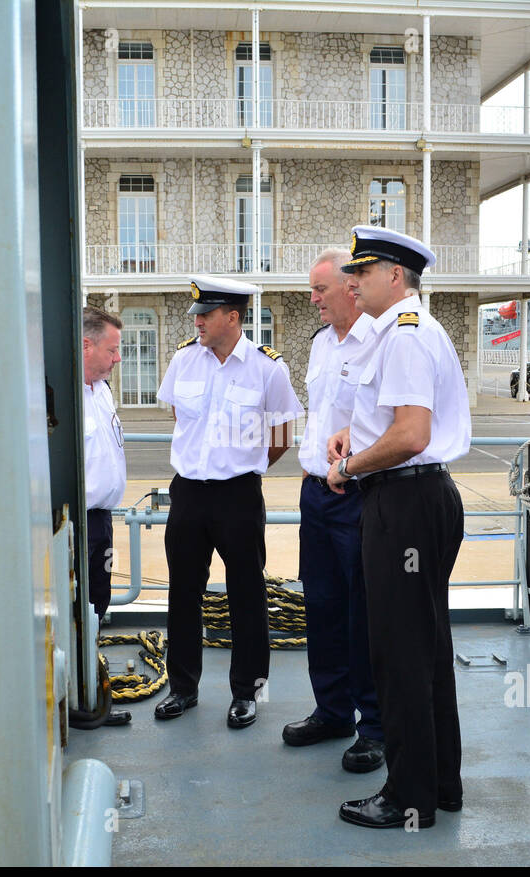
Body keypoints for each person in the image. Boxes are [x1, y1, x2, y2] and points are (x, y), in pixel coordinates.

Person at [325, 225, 471, 829]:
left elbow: (411, 434)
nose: (350, 281)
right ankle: (440, 784)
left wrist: (349, 466)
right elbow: (394, 422)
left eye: (360, 272)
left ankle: (409, 798)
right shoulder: (400, 332)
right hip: (419, 496)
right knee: (428, 648)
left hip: (405, 506)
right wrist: (352, 436)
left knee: (401, 655)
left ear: (394, 276)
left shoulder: (406, 335)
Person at [154, 275, 304, 729]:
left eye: (205, 314)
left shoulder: (268, 368)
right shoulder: (184, 360)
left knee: (246, 594)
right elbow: (180, 416)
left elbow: (281, 436)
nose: (197, 321)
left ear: (233, 317)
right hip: (188, 492)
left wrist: (244, 464)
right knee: (183, 592)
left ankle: (248, 692)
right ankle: (182, 688)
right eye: (196, 314)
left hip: (238, 494)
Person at [282, 249, 385, 773]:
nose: (313, 298)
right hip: (316, 494)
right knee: (320, 605)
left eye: (320, 289)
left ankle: (374, 727)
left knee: (362, 611)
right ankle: (332, 710)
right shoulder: (321, 345)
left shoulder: (381, 343)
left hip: (359, 494)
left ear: (351, 287)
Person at [81, 306, 126, 623]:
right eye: (112, 350)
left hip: (102, 521)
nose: (118, 358)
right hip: (75, 527)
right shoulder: (59, 396)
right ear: (86, 345)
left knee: (99, 600)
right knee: (76, 607)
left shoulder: (102, 392)